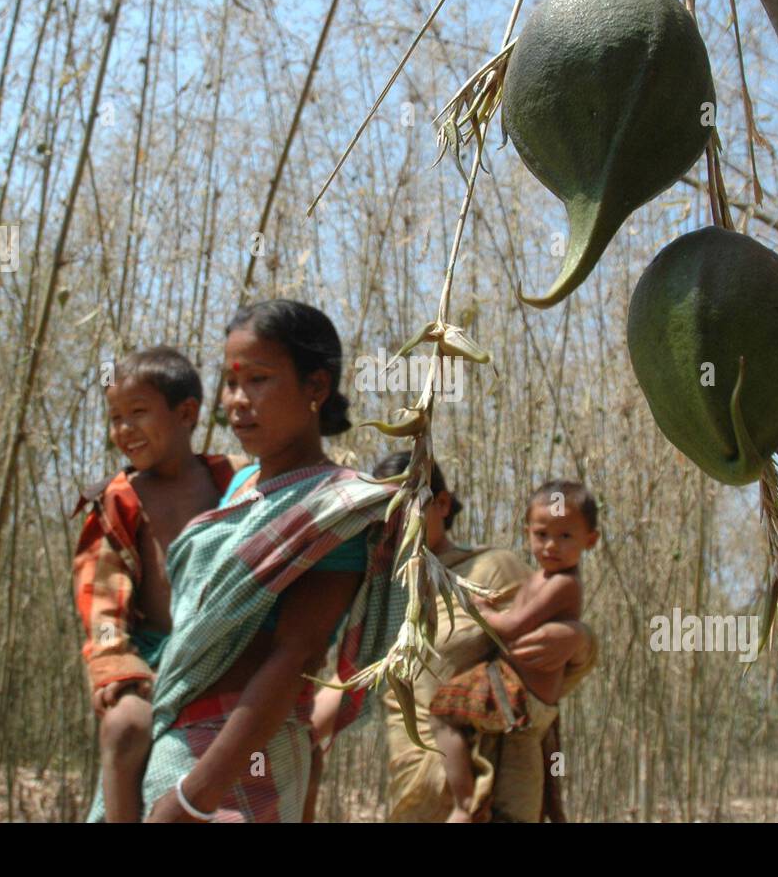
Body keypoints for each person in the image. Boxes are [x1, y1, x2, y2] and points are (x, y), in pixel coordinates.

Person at [139, 299, 406, 823]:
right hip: (180, 740)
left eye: (257, 379)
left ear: (316, 388)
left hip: (239, 759)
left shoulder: (335, 507)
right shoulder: (241, 486)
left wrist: (197, 795)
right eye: (230, 382)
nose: (236, 401)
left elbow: (295, 655)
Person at [372, 452, 599, 823]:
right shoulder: (382, 588)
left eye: (408, 505)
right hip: (412, 781)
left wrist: (578, 637)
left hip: (488, 776)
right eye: (386, 510)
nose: (398, 521)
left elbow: (545, 655)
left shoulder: (490, 569)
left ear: (442, 504)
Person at [72, 346, 243, 822]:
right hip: (150, 660)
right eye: (115, 417)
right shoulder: (118, 502)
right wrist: (118, 667)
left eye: (138, 413)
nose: (123, 429)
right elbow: (100, 598)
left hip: (225, 652)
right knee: (125, 727)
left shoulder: (235, 480)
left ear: (186, 413)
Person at [429, 480, 598, 821]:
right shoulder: (538, 578)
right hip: (514, 702)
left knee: (442, 713)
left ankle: (465, 800)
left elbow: (512, 627)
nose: (551, 545)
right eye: (541, 534)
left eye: (565, 536)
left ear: (590, 540)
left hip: (521, 699)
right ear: (528, 532)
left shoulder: (563, 583)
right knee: (516, 797)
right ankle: (468, 800)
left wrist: (479, 609)